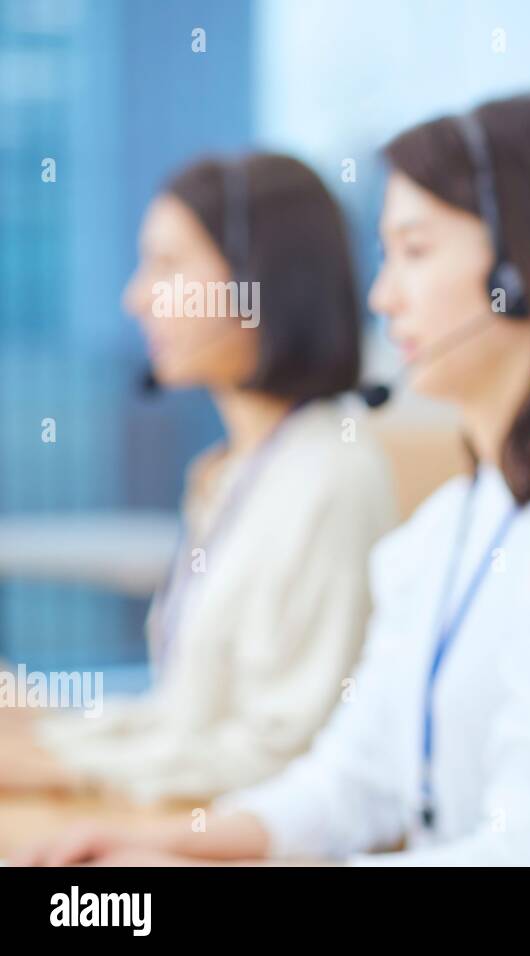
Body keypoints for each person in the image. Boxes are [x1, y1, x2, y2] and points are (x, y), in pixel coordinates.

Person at [15, 95, 530, 867]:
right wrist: (156, 841)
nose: (383, 297)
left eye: (414, 252)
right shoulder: (456, 523)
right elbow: (350, 786)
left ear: (522, 273)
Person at [0, 153, 397, 804]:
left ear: (257, 279)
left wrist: (59, 763)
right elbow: (188, 720)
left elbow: (285, 756)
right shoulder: (236, 472)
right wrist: (47, 729)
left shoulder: (332, 475)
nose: (137, 297)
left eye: (169, 265)